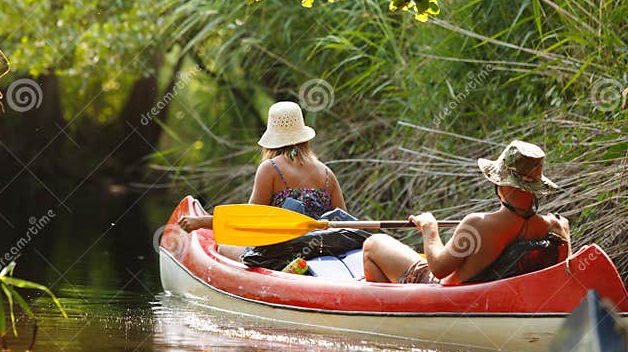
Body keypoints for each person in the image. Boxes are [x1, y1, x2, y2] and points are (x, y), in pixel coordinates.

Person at [362, 140, 571, 285]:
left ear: (503, 185)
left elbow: (438, 269)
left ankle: (391, 310)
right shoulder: (556, 227)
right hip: (497, 295)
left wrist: (429, 229)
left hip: (442, 293)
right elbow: (564, 271)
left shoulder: (476, 225)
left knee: (373, 244)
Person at [178, 101, 347, 259]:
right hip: (318, 251)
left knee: (224, 247)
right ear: (304, 138)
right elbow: (343, 222)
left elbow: (251, 220)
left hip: (280, 253)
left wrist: (201, 222)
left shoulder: (270, 169)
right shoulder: (326, 173)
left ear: (272, 140)